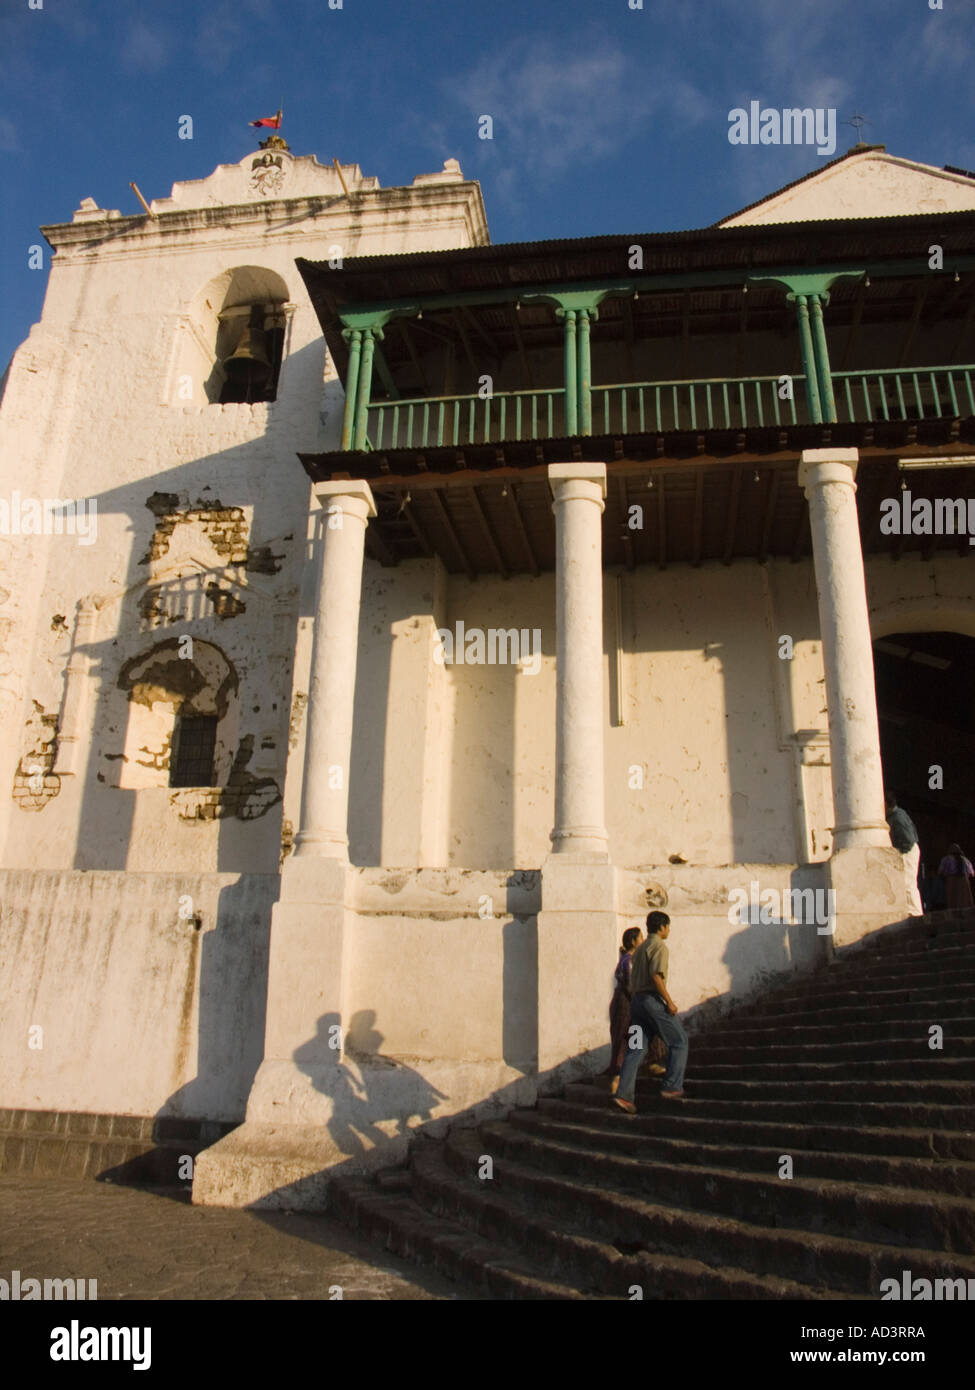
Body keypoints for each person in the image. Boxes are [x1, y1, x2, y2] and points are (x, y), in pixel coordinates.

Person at [613, 910, 688, 1112]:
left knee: (635, 1049)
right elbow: (656, 977)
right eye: (668, 926)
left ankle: (624, 1095)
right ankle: (672, 1086)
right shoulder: (659, 947)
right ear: (662, 927)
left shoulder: (640, 949)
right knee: (679, 1041)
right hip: (651, 1002)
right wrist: (669, 1002)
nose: (669, 930)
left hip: (636, 1006)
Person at [885, 793, 924, 918]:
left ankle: (914, 913)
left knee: (907, 882)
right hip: (907, 849)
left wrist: (898, 853)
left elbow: (908, 840)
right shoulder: (897, 815)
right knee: (907, 883)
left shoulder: (898, 817)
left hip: (907, 851)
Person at [937, 843, 975, 910]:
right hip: (963, 880)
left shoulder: (946, 859)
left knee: (953, 897)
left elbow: (940, 871)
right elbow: (972, 873)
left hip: (952, 879)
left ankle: (954, 911)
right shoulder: (965, 860)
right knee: (963, 898)